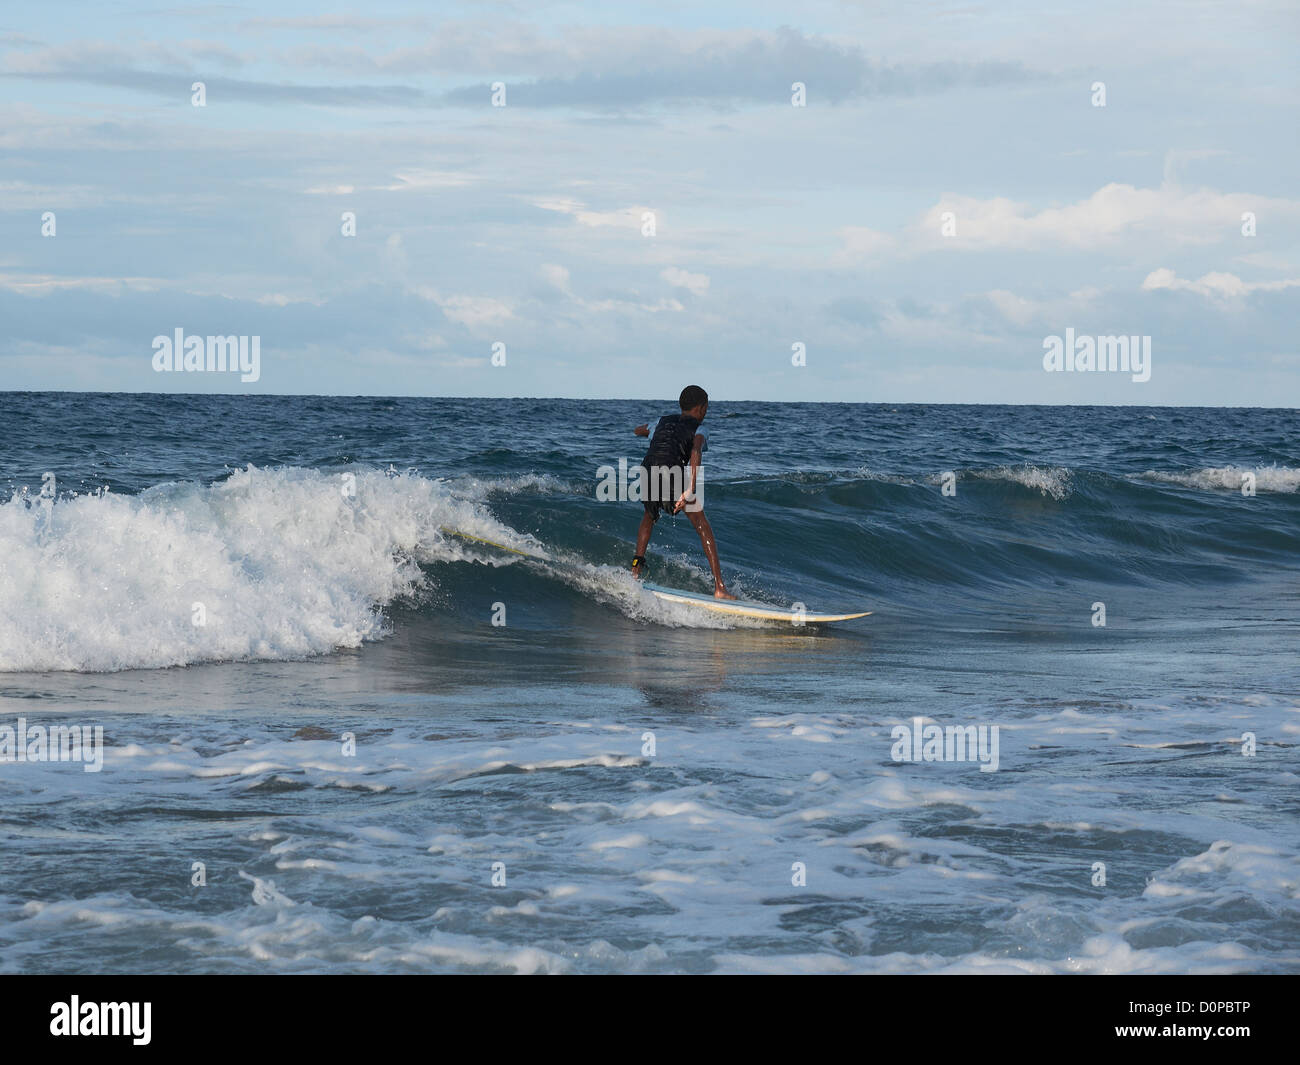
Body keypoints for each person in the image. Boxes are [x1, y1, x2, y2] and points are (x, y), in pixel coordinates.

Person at [630, 385, 735, 599]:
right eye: (706, 408)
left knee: (649, 516)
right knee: (702, 526)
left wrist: (648, 432)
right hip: (671, 473)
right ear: (701, 408)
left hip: (647, 469)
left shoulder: (661, 421)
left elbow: (638, 430)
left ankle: (634, 573)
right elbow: (696, 450)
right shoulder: (700, 428)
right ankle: (720, 588)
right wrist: (690, 488)